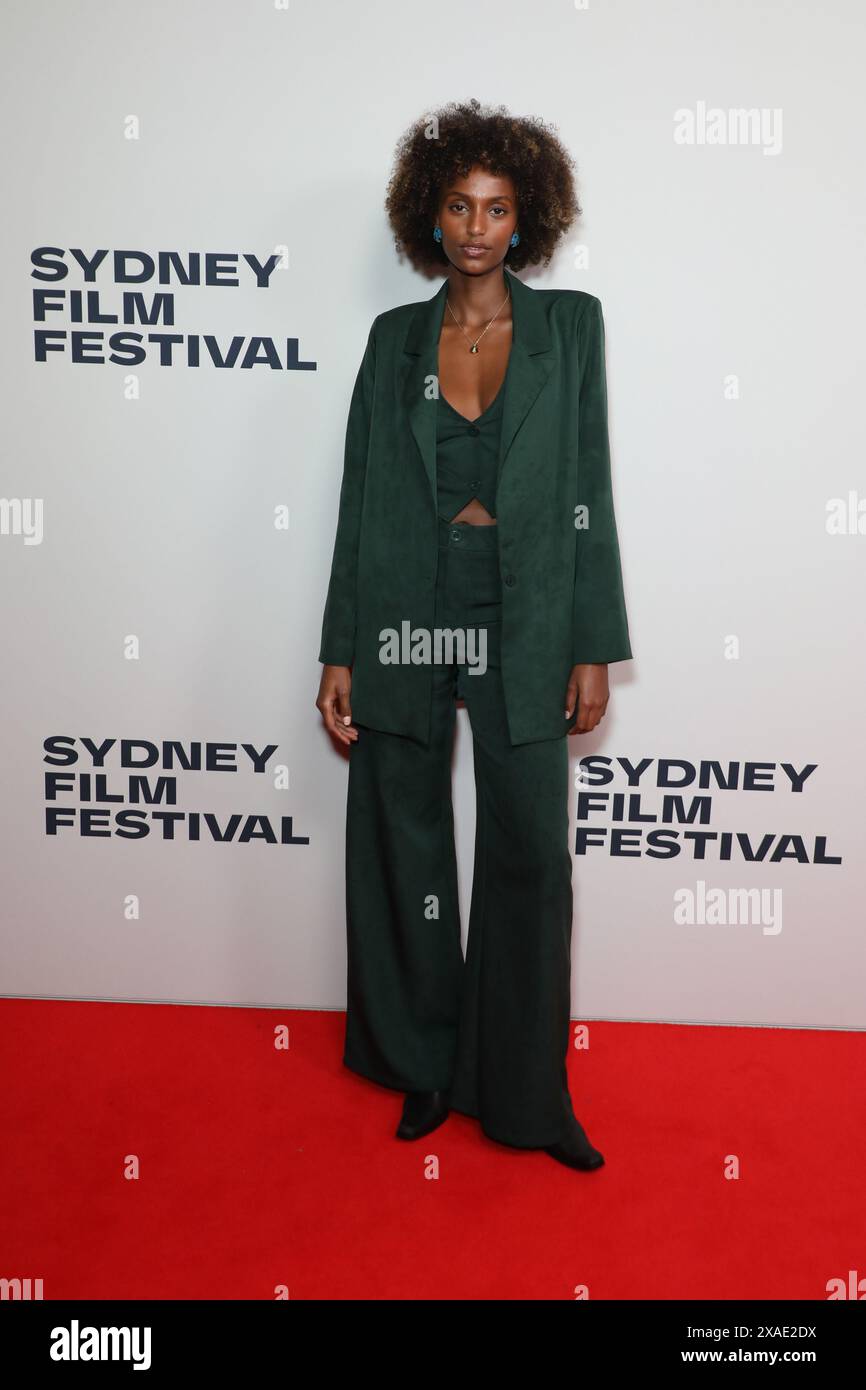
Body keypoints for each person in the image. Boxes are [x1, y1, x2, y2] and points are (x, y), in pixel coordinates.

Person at [316, 98, 632, 1171]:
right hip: (409, 606)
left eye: (497, 207)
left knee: (530, 853)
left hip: (524, 613)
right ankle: (424, 1064)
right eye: (457, 204)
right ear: (429, 214)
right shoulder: (391, 337)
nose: (476, 226)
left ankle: (526, 1092)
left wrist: (591, 641)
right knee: (405, 837)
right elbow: (360, 498)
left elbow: (588, 488)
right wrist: (339, 648)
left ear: (525, 217)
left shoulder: (568, 328)